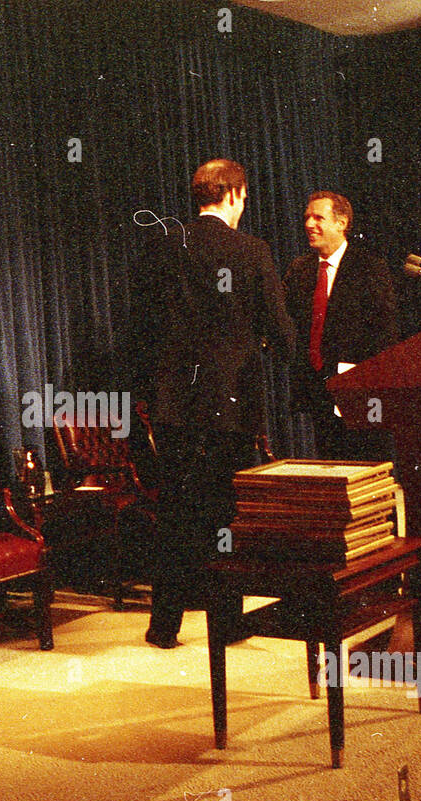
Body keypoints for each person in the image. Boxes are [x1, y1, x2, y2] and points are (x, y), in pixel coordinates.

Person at [134, 159, 297, 648]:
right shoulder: (252, 251)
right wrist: (277, 348)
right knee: (225, 513)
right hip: (230, 406)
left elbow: (141, 325)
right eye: (244, 198)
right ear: (233, 194)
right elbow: (279, 329)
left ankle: (164, 625)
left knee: (178, 510)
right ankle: (225, 624)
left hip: (174, 405)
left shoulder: (163, 244)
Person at [284, 191, 398, 461]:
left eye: (318, 217)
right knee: (330, 466)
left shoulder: (370, 268)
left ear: (342, 223)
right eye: (307, 218)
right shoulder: (299, 269)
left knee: (366, 467)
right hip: (317, 389)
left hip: (360, 390)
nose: (309, 224)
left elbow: (386, 334)